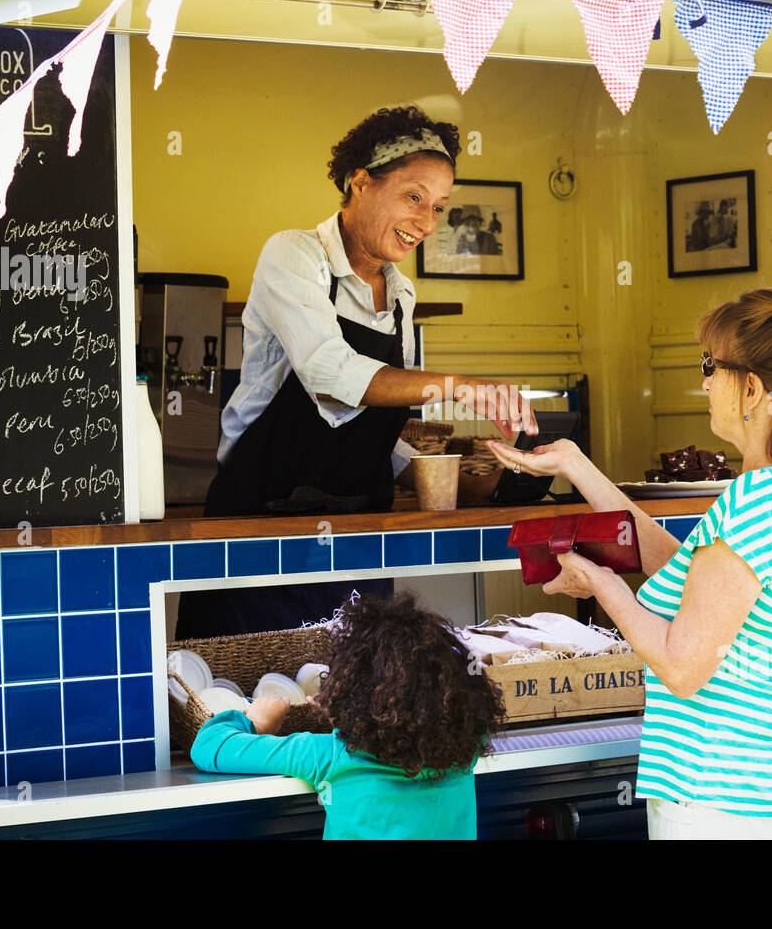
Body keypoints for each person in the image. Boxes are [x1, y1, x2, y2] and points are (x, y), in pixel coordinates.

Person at [488, 287, 772, 839]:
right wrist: (577, 466)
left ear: (751, 389)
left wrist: (598, 583)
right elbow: (700, 580)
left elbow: (682, 666)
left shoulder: (759, 499)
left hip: (730, 807)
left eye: (710, 367)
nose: (703, 382)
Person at [176, 106, 536, 638]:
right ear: (361, 183)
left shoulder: (401, 295)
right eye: (414, 197)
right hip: (260, 529)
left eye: (439, 207)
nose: (426, 223)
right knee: (250, 703)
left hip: (361, 535)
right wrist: (460, 386)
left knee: (360, 704)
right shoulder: (294, 255)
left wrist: (440, 478)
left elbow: (369, 424)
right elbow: (331, 372)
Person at [189, 592, 506, 839]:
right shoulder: (468, 746)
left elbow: (208, 747)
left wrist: (256, 722)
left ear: (351, 694)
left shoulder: (328, 755)